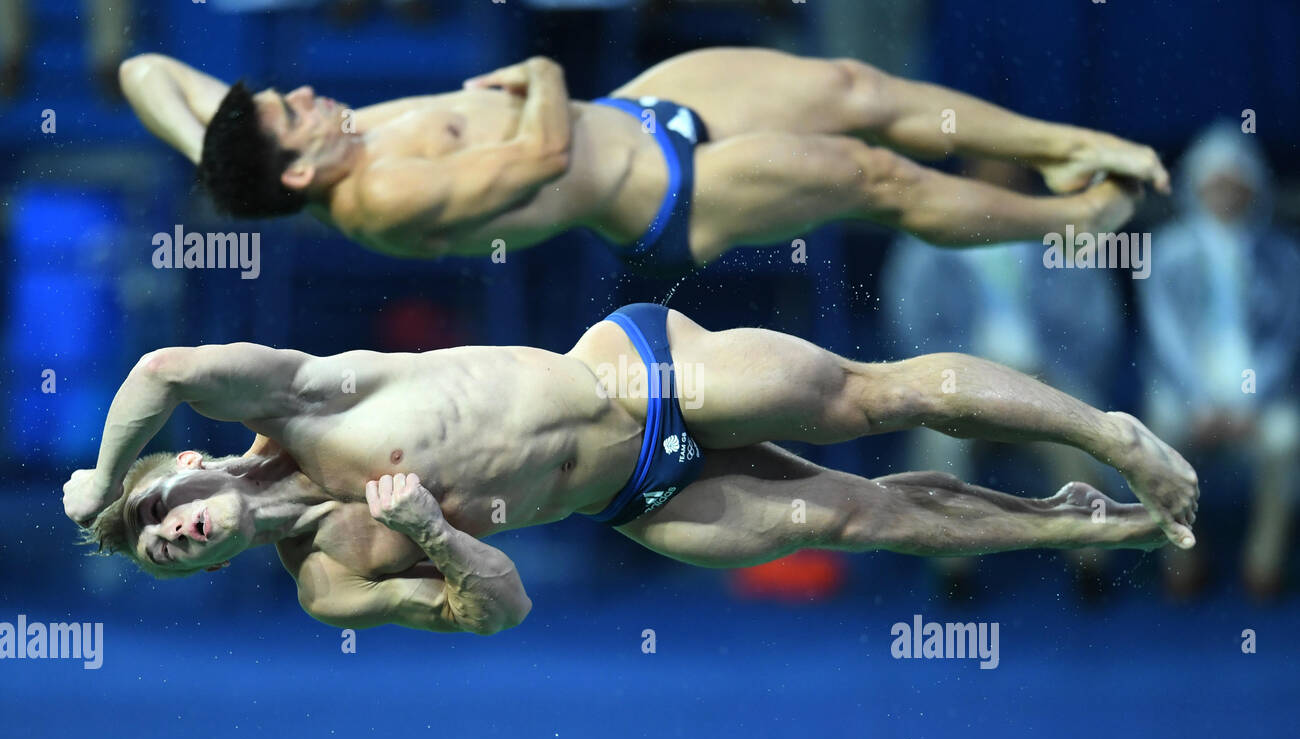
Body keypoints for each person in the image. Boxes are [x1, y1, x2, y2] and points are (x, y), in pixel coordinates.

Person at [63, 304, 1198, 635]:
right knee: (861, 519)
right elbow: (499, 609)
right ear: (198, 570)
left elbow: (163, 365)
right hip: (635, 499)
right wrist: (440, 537)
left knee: (872, 396)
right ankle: (1095, 527)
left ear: (190, 463)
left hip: (640, 377)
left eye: (155, 506)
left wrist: (98, 474)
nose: (165, 530)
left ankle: (1106, 432)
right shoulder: (328, 580)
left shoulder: (297, 400)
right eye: (159, 551)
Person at [118, 47, 1168, 273]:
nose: (307, 93)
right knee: (873, 178)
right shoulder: (383, 193)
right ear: (301, 175)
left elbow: (142, 68)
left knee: (856, 85)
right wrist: (538, 73)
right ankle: (1063, 224)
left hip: (642, 106)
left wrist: (211, 150)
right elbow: (540, 157)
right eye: (290, 113)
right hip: (667, 188)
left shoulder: (286, 155)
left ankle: (1073, 146)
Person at [881, 159, 1124, 596]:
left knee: (1073, 433)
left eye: (1008, 180)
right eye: (985, 178)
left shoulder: (1062, 241)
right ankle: (954, 571)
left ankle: (1090, 564)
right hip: (957, 385)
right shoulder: (927, 242)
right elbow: (910, 327)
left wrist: (1049, 375)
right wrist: (963, 375)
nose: (995, 189)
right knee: (943, 444)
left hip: (1046, 379)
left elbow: (1096, 326)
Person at [1136, 121, 1300, 598]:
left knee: (1287, 437)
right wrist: (1200, 400)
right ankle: (1183, 559)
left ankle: (1263, 562)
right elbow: (1165, 336)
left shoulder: (1284, 257)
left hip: (1259, 392)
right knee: (1155, 440)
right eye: (1215, 184)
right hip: (1188, 390)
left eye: (1235, 184)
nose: (1225, 195)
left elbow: (1287, 338)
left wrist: (1251, 398)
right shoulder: (1168, 253)